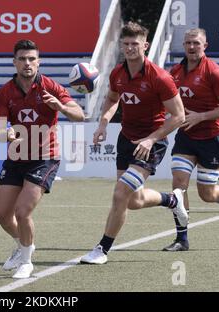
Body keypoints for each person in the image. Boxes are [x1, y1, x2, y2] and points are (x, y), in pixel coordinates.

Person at [80, 22, 187, 265]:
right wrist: (103, 123)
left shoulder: (160, 77)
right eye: (126, 44)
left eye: (135, 44)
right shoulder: (117, 73)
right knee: (133, 200)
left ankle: (102, 249)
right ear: (121, 45)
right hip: (126, 139)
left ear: (145, 46)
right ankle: (172, 200)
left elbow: (179, 116)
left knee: (119, 195)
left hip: (150, 142)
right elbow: (112, 98)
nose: (130, 48)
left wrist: (151, 139)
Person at [0, 39, 85, 278]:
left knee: (23, 211)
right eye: (22, 59)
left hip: (44, 157)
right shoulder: (5, 92)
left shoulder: (51, 87)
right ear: (14, 62)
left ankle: (26, 261)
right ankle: (24, 244)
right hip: (16, 157)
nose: (27, 63)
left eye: (32, 59)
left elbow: (80, 115)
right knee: (3, 215)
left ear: (38, 62)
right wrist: (8, 133)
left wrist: (61, 107)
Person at [162, 28, 219, 252]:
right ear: (183, 46)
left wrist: (200, 117)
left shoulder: (214, 72)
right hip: (186, 136)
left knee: (207, 194)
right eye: (188, 43)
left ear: (205, 46)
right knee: (178, 185)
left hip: (212, 138)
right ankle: (182, 239)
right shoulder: (175, 71)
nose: (192, 47)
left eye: (196, 43)